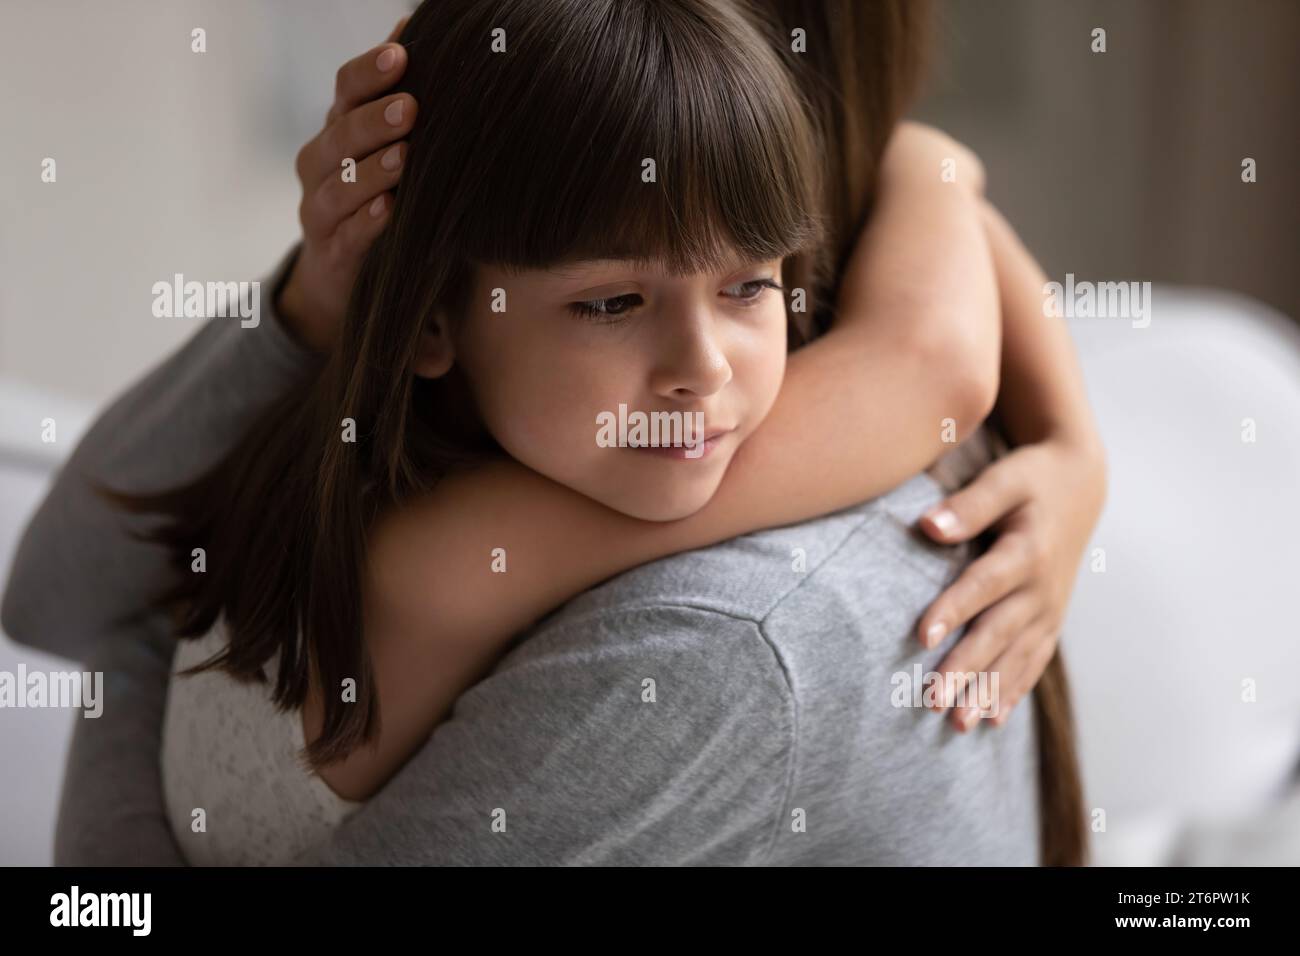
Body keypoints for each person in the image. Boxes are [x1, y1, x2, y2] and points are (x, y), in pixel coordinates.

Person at [2, 0, 1104, 865]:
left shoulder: (440, 471)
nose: (702, 373)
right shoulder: (452, 556)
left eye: (750, 287)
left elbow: (926, 363)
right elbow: (926, 368)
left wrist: (1072, 451)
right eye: (612, 303)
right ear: (432, 318)